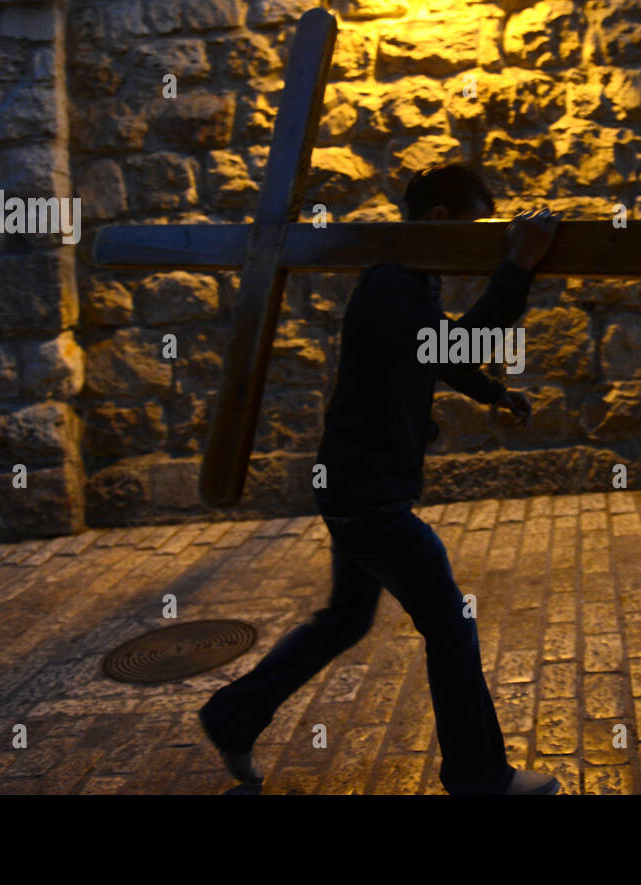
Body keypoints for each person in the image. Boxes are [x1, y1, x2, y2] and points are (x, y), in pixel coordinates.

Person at [198, 163, 562, 795]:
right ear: (442, 222)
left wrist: (492, 393)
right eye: (476, 226)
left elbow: (435, 352)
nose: (480, 238)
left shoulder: (409, 281)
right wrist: (518, 267)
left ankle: (232, 715)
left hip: (353, 486)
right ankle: (480, 778)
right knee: (450, 624)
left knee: (345, 620)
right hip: (370, 499)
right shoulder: (392, 283)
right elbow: (448, 348)